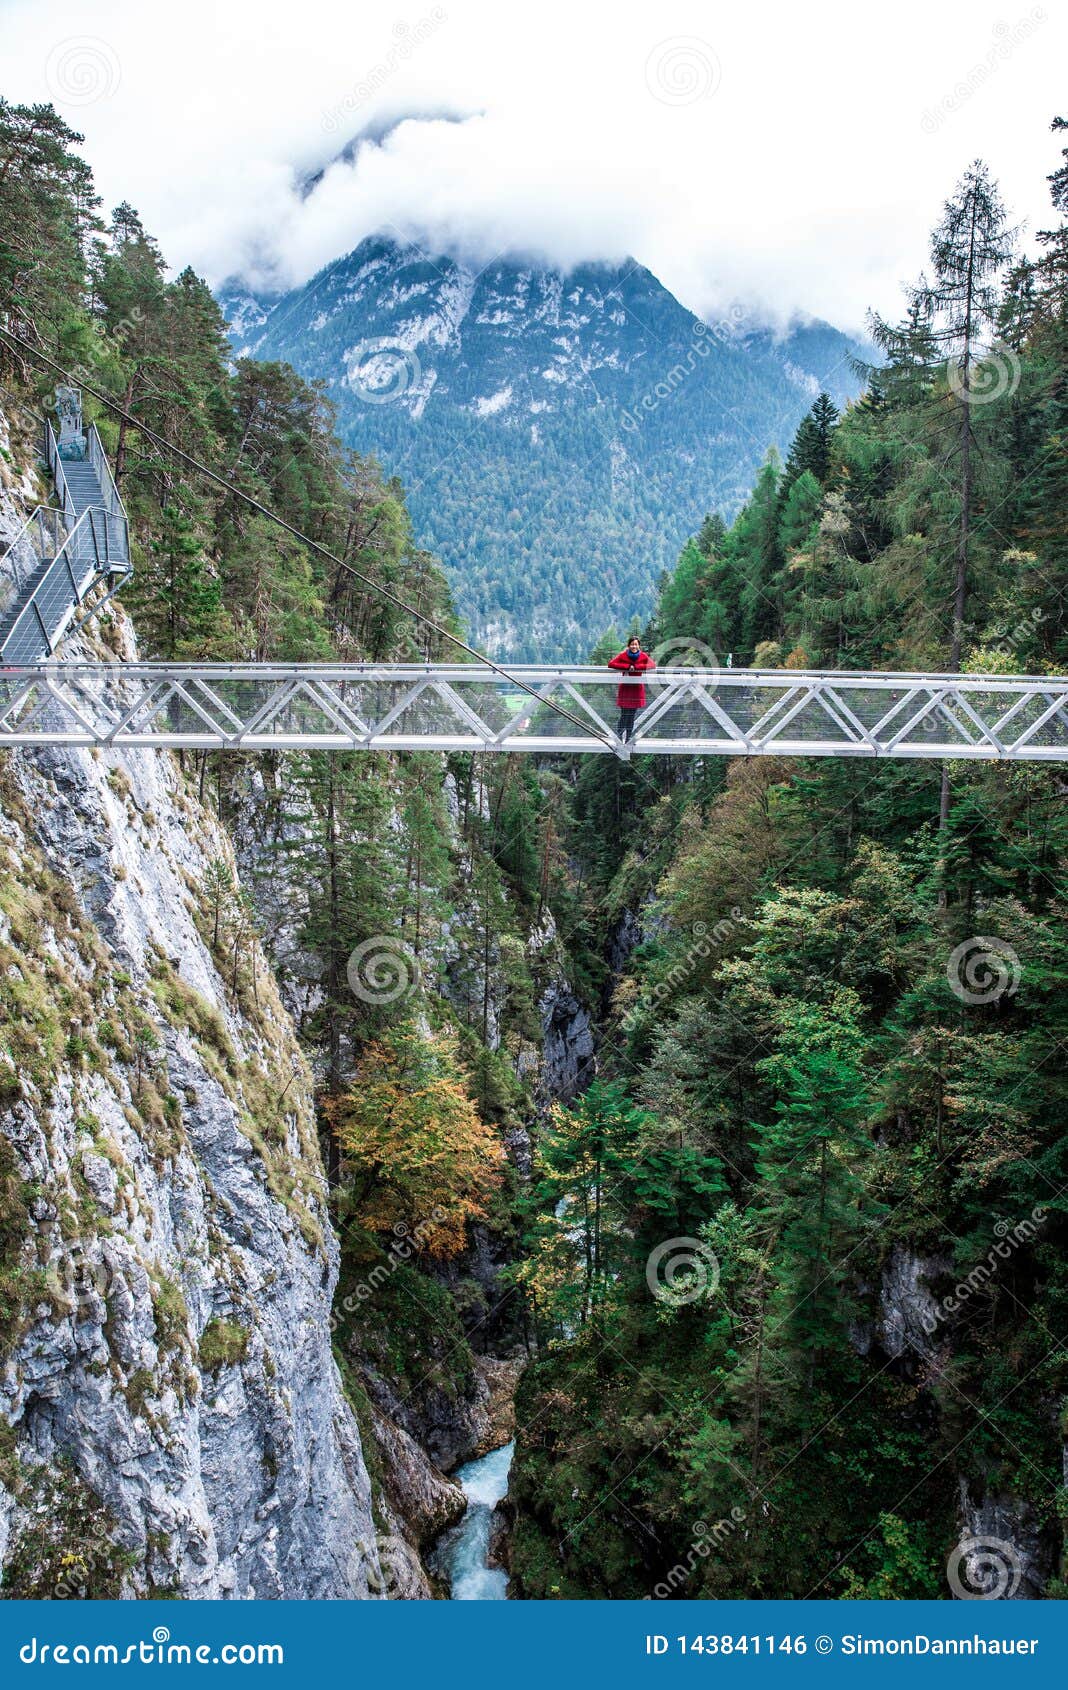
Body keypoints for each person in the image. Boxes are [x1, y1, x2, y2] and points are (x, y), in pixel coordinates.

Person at [608, 635, 656, 742]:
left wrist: (637, 667)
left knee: (631, 715)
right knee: (624, 714)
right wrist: (627, 667)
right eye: (632, 644)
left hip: (636, 689)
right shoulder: (623, 655)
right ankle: (619, 737)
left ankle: (628, 737)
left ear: (639, 646)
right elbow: (611, 664)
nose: (634, 646)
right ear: (628, 645)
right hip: (625, 688)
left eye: (636, 644)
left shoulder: (643, 656)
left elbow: (652, 665)